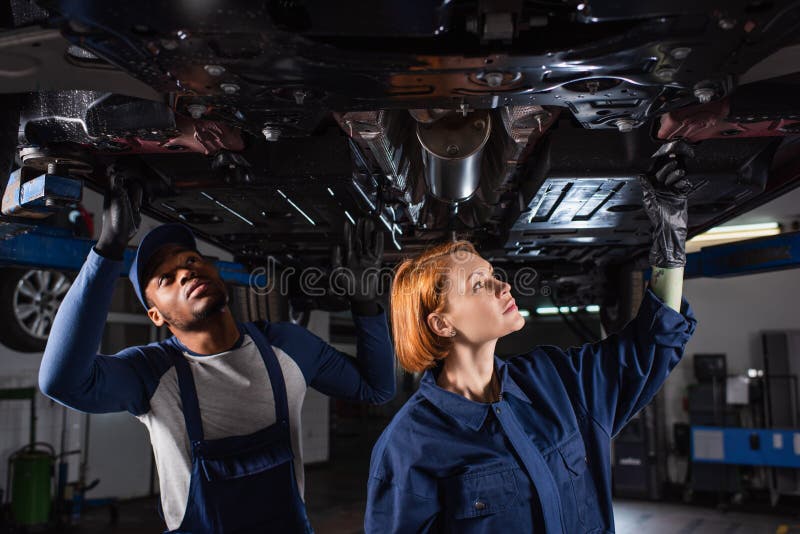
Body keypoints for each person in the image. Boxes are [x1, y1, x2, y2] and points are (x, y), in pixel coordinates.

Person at [38, 175, 396, 534]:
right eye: (165, 278)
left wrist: (365, 301)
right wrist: (109, 247)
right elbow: (62, 381)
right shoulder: (151, 373)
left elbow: (375, 389)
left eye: (191, 260)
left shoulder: (286, 346)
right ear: (155, 315)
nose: (185, 272)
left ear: (213, 272)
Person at [365, 156, 698, 533]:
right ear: (442, 323)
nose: (502, 286)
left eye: (492, 275)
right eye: (478, 284)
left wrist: (671, 245)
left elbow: (651, 344)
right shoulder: (408, 447)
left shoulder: (555, 380)